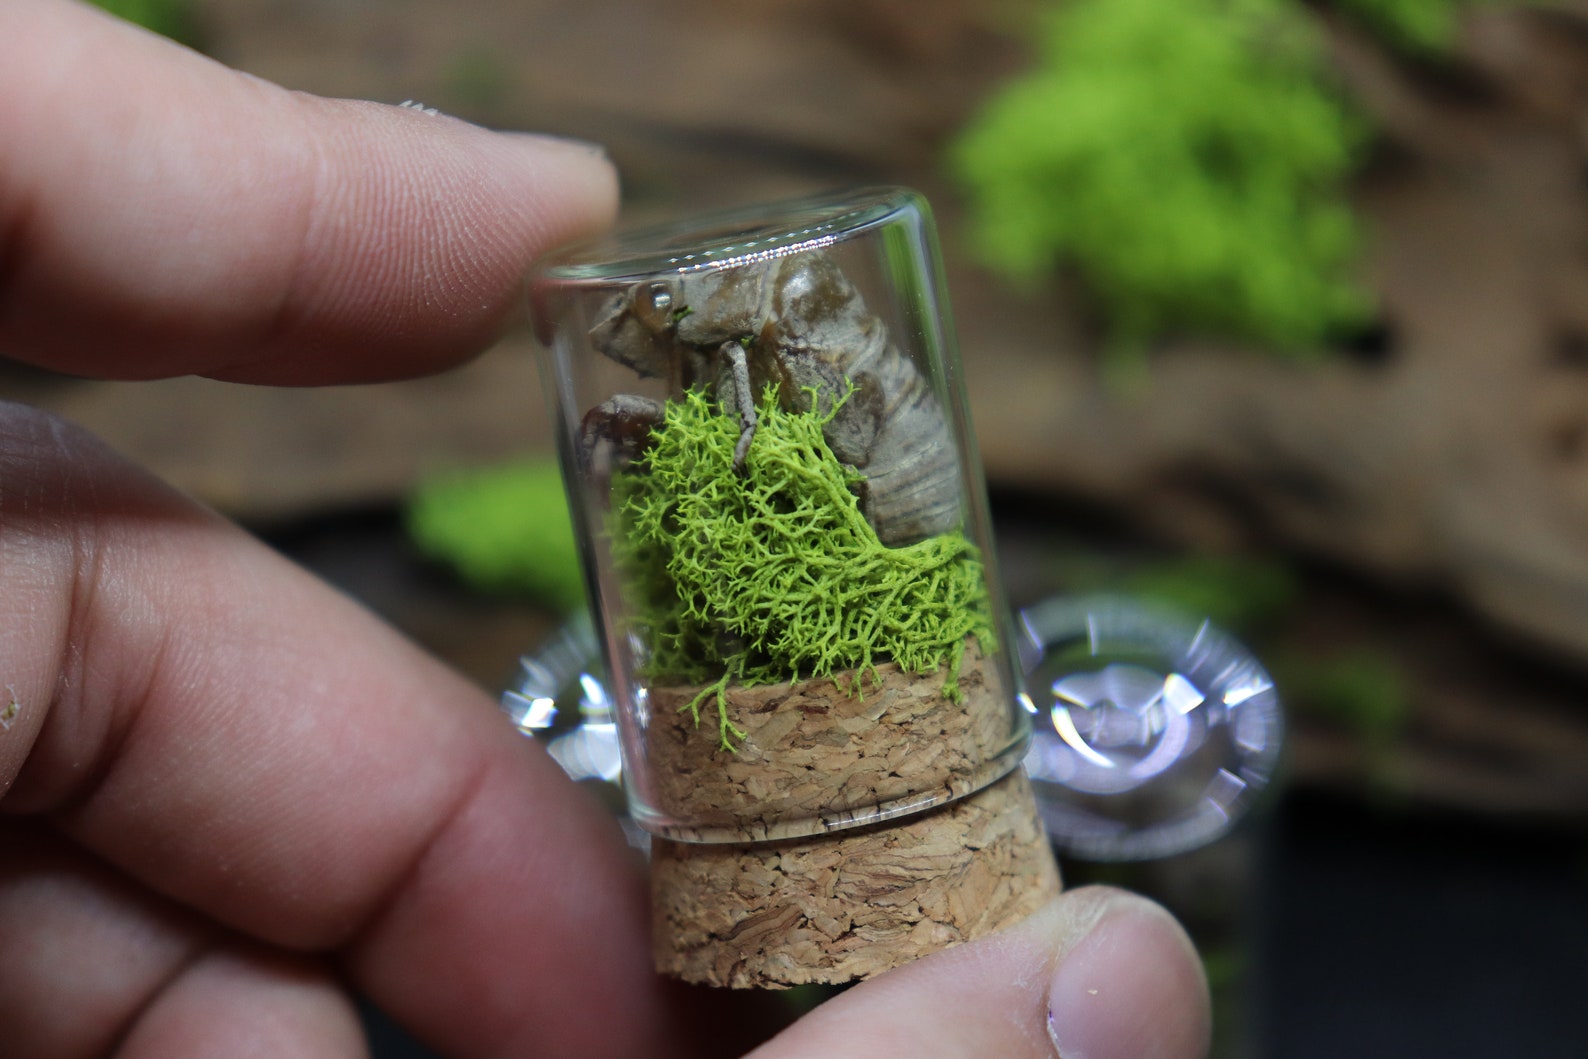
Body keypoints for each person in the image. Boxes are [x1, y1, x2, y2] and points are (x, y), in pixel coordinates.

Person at [0, 2, 1211, 1055]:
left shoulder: (792, 334)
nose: (644, 335)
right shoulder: (704, 367)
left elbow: (768, 431)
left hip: (909, 574)